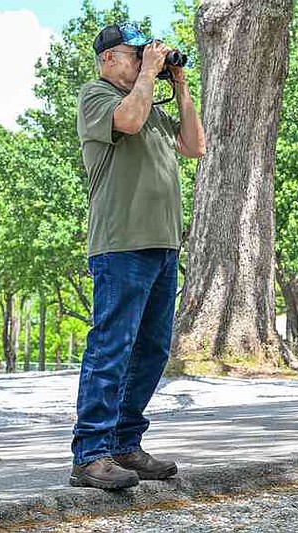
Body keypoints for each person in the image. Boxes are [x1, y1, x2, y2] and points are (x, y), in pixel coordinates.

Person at [71, 23, 205, 489]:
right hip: (121, 246)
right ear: (109, 59)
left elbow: (194, 146)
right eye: (134, 54)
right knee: (112, 346)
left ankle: (125, 444)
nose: (144, 60)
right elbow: (127, 121)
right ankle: (90, 454)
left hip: (163, 245)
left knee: (151, 350)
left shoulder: (150, 104)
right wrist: (150, 71)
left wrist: (181, 84)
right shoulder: (98, 96)